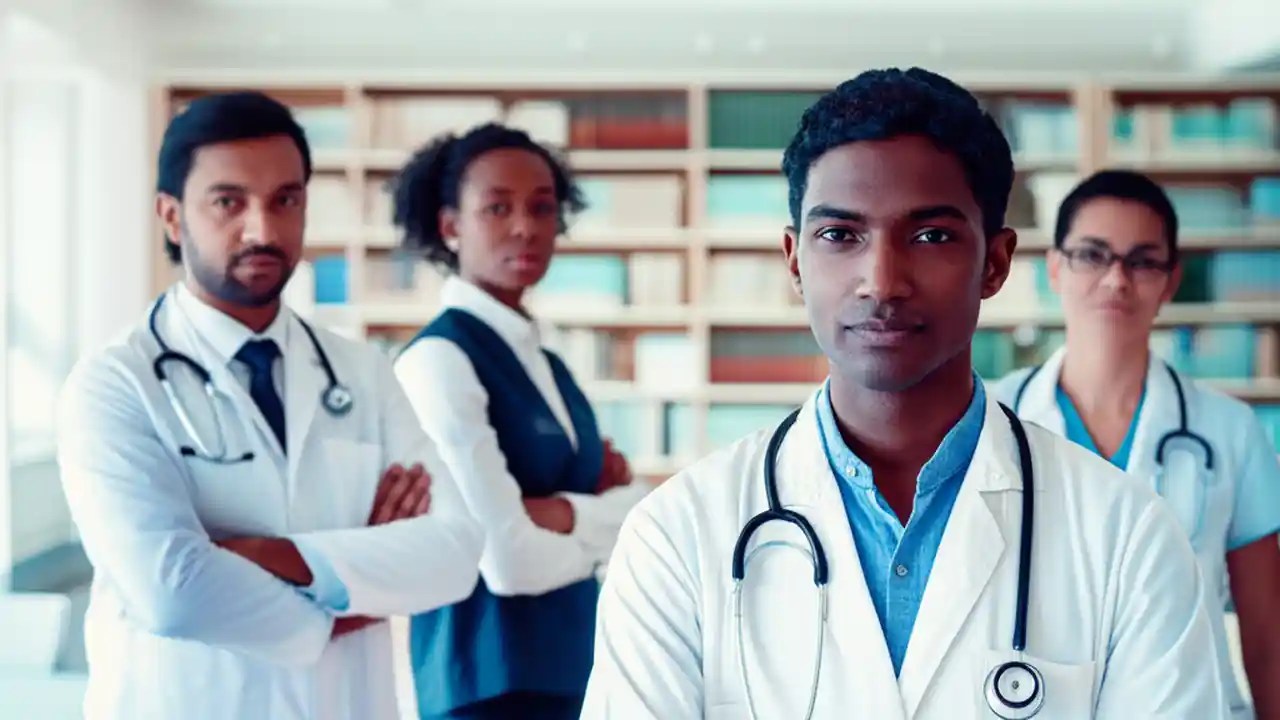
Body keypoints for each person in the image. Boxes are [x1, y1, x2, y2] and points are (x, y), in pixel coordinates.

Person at [580, 68, 1228, 719]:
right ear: (796, 260)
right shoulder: (678, 536)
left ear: (996, 264)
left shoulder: (1128, 534)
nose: (882, 281)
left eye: (932, 236)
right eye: (840, 235)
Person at [55, 91, 485, 720]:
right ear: (172, 217)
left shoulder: (361, 372)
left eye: (286, 199)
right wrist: (354, 584)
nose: (263, 228)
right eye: (229, 202)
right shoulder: (115, 383)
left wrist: (261, 554)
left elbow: (454, 555)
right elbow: (171, 592)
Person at [990, 169, 1280, 720]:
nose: (1117, 280)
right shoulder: (990, 420)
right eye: (1093, 255)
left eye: (1142, 260)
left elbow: (1268, 637)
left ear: (1170, 281)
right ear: (1055, 267)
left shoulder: (1232, 430)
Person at [388, 123, 651, 719]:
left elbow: (636, 507)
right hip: (486, 686)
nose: (525, 226)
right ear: (451, 226)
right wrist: (598, 525)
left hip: (572, 670)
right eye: (497, 208)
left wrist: (557, 512)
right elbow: (506, 560)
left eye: (541, 207)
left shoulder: (547, 361)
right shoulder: (439, 361)